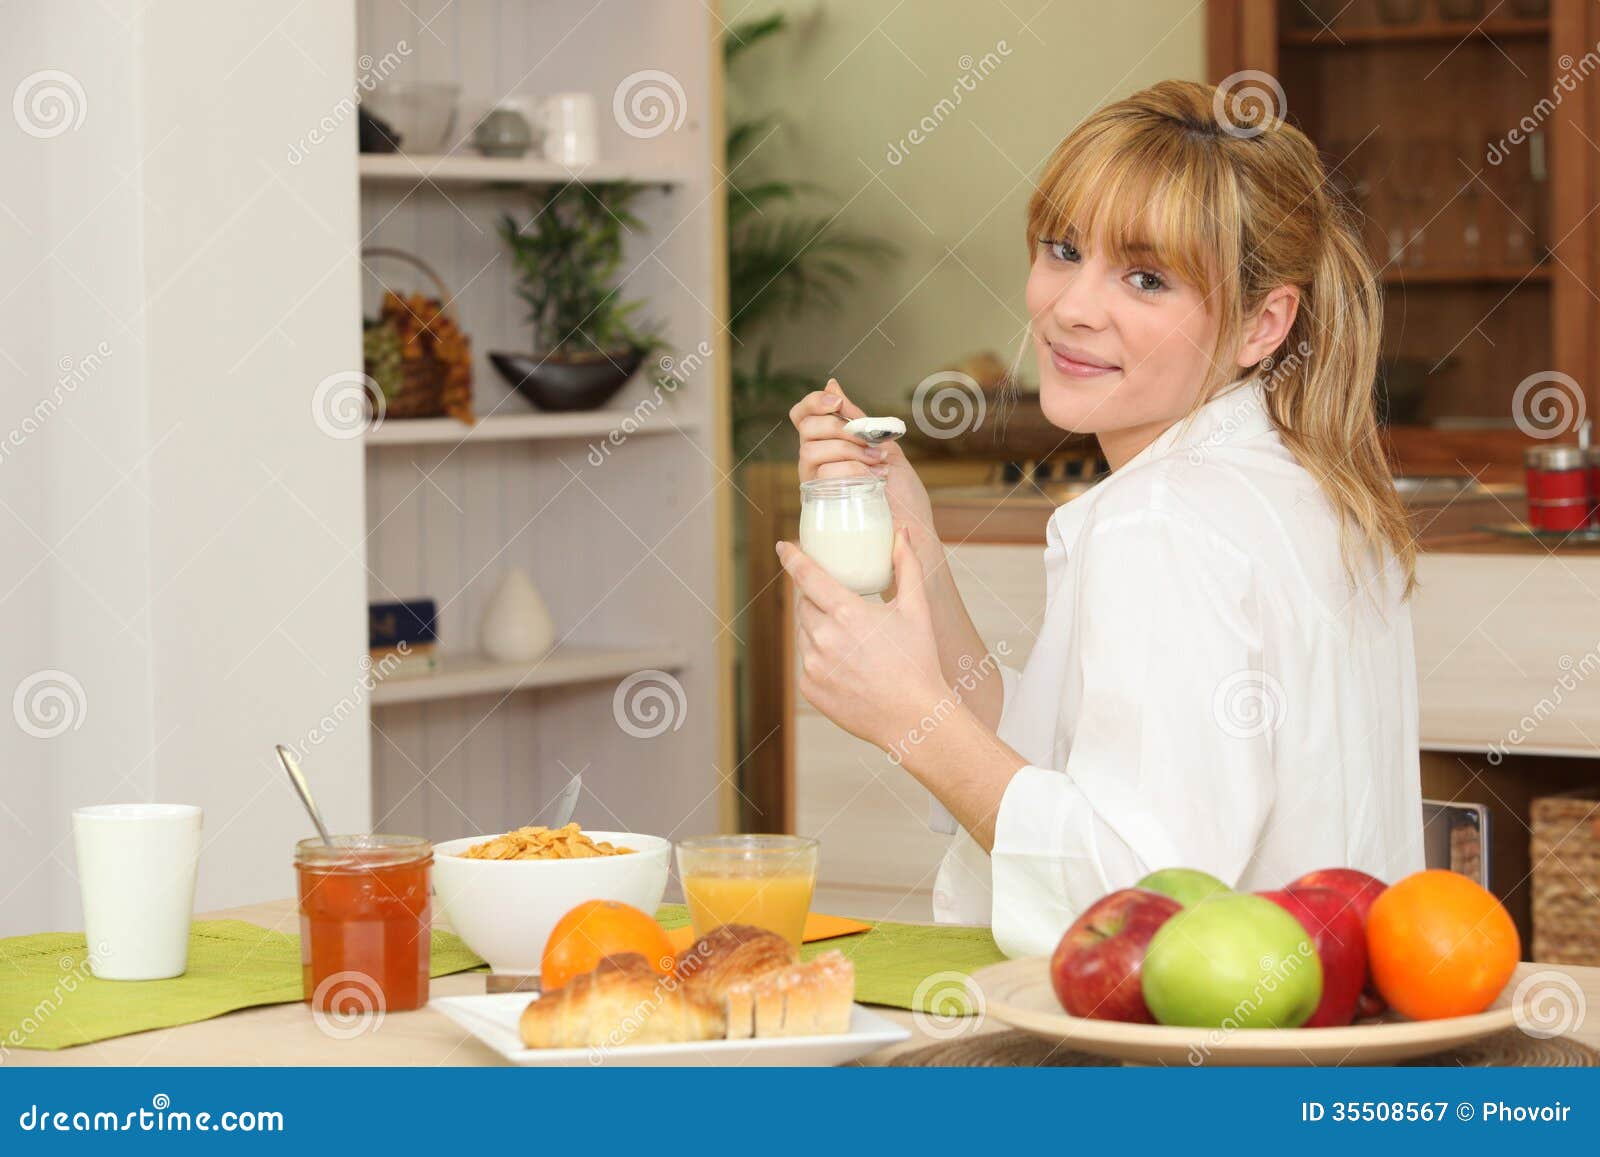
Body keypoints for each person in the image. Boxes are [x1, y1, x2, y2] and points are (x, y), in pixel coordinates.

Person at [777, 79, 1425, 958]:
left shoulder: (1164, 519)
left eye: (1146, 278)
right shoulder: (1307, 487)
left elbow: (1135, 902)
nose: (1072, 307)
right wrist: (917, 551)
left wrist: (910, 718)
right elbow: (1076, 762)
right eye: (1062, 248)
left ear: (1262, 324)